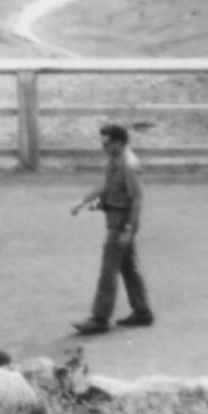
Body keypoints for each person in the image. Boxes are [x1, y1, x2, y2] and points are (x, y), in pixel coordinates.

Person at [71, 123, 152, 334]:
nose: (103, 147)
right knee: (128, 268)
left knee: (108, 271)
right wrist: (83, 201)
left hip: (121, 223)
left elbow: (137, 200)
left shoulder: (128, 165)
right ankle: (142, 311)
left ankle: (100, 317)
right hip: (115, 219)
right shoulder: (114, 162)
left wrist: (127, 229)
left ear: (119, 142)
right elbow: (105, 186)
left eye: (107, 143)